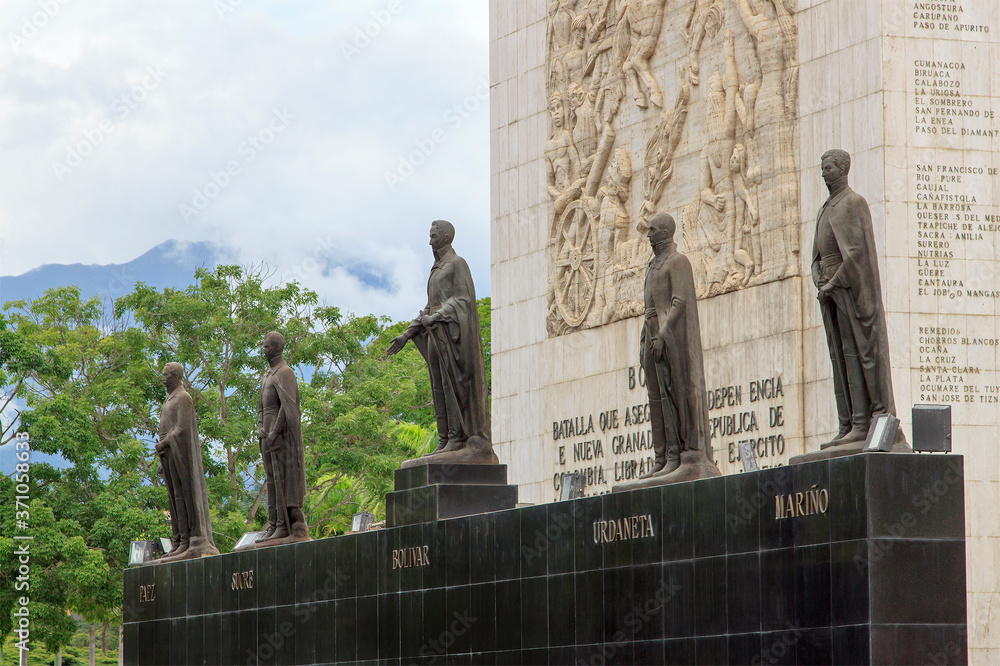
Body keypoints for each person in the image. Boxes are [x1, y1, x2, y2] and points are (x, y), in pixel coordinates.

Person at [387, 220, 495, 466]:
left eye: (434, 236)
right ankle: (444, 437)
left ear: (446, 238)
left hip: (452, 336)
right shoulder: (436, 269)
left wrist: (438, 315)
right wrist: (407, 335)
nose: (430, 241)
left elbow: (463, 300)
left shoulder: (457, 264)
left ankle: (457, 438)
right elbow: (429, 306)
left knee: (451, 386)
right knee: (437, 388)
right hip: (434, 336)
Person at [812, 149, 899, 446]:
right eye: (822, 168)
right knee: (839, 357)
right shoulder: (825, 208)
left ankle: (863, 423)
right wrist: (819, 280)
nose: (823, 173)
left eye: (827, 168)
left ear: (842, 168)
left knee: (854, 354)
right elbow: (817, 256)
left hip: (848, 291)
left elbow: (856, 254)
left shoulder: (853, 203)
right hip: (829, 291)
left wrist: (833, 283)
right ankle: (847, 422)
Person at [638, 213, 716, 478]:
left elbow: (679, 302)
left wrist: (663, 333)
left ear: (664, 233)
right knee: (655, 397)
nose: (648, 235)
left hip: (666, 336)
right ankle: (660, 459)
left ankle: (675, 455)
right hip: (649, 334)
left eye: (652, 230)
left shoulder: (677, 261)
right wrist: (646, 338)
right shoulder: (652, 265)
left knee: (671, 394)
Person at [156, 362, 218, 561]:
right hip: (169, 455)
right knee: (174, 499)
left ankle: (190, 539)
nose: (163, 378)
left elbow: (181, 429)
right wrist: (161, 457)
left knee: (184, 496)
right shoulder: (168, 399)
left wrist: (164, 443)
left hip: (180, 455)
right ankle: (180, 541)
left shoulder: (183, 398)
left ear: (175, 376)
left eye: (166, 375)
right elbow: (165, 427)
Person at [257, 331, 309, 543]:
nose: (264, 349)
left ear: (277, 348)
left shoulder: (285, 372)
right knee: (270, 480)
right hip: (265, 432)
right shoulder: (267, 375)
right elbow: (261, 407)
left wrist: (275, 432)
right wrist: (261, 427)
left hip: (279, 434)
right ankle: (272, 525)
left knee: (280, 479)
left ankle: (282, 525)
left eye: (267, 346)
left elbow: (287, 408)